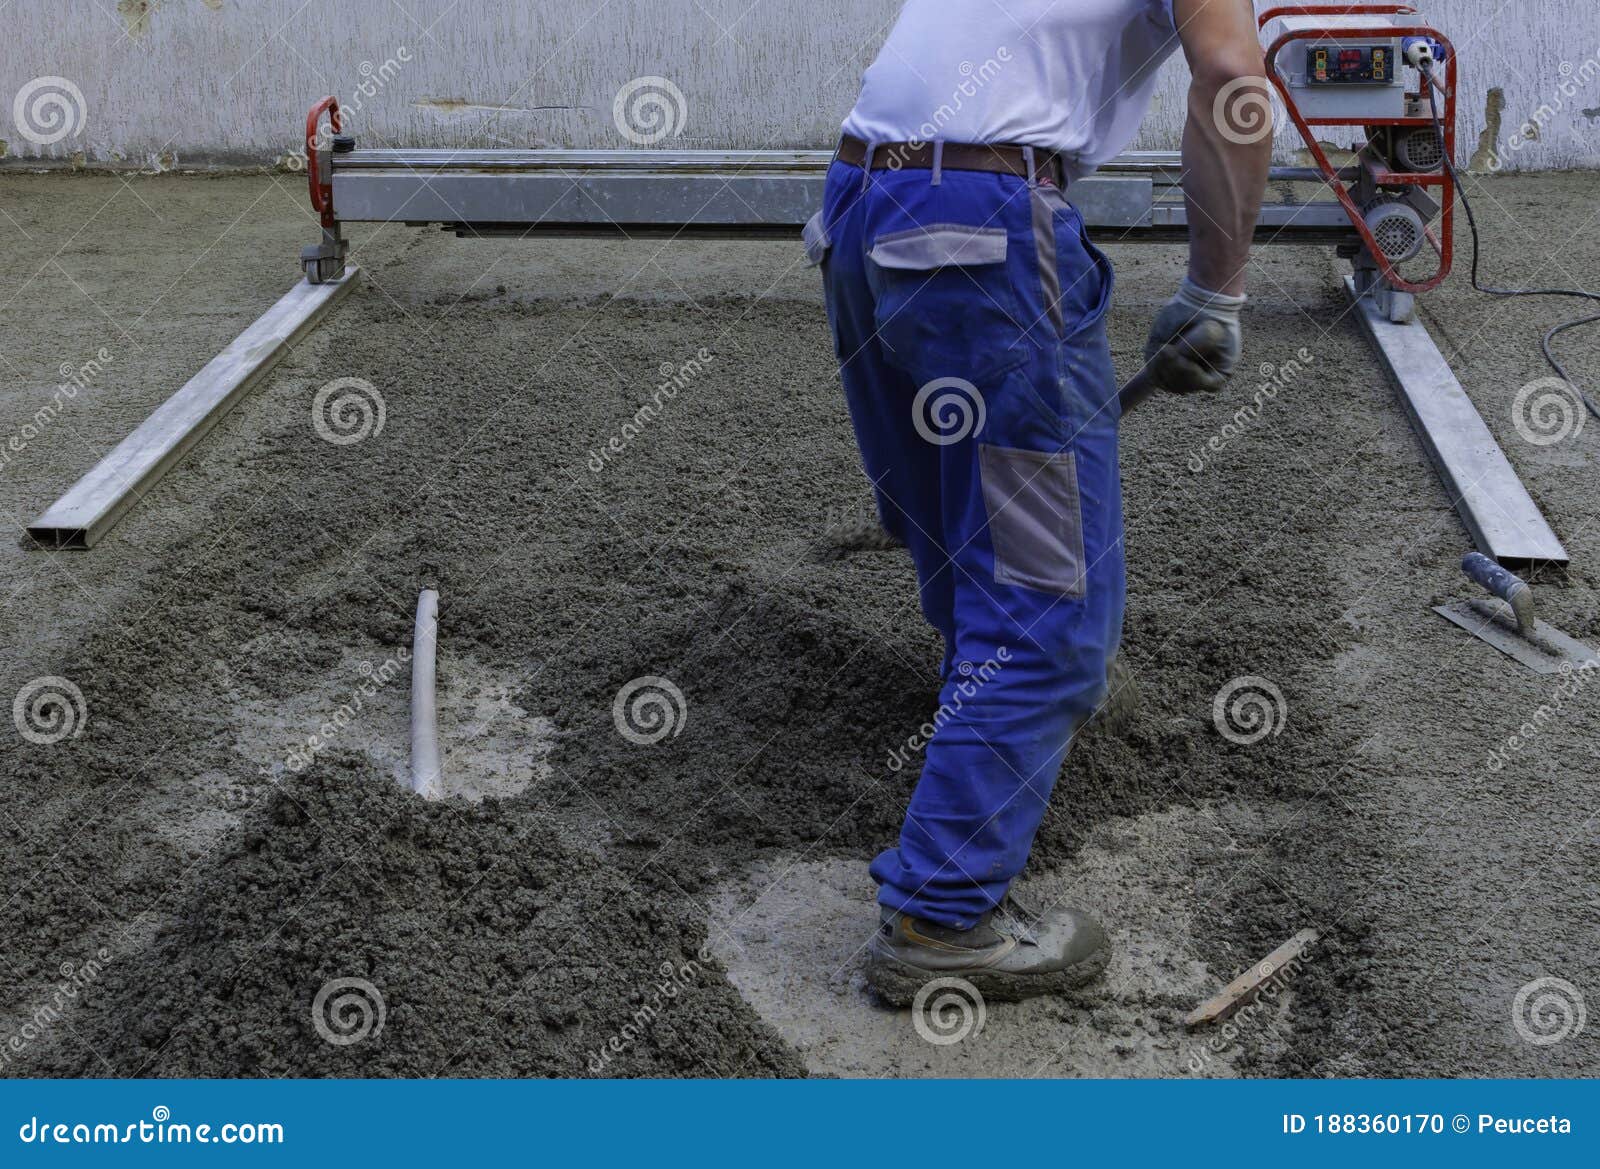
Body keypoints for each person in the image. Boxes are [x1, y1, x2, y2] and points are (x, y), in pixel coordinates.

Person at [811, 0, 1271, 1004]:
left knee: (958, 525)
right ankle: (940, 918)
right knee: (1049, 605)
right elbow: (1235, 81)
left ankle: (982, 718)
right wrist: (1214, 292)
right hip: (978, 229)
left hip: (860, 203)